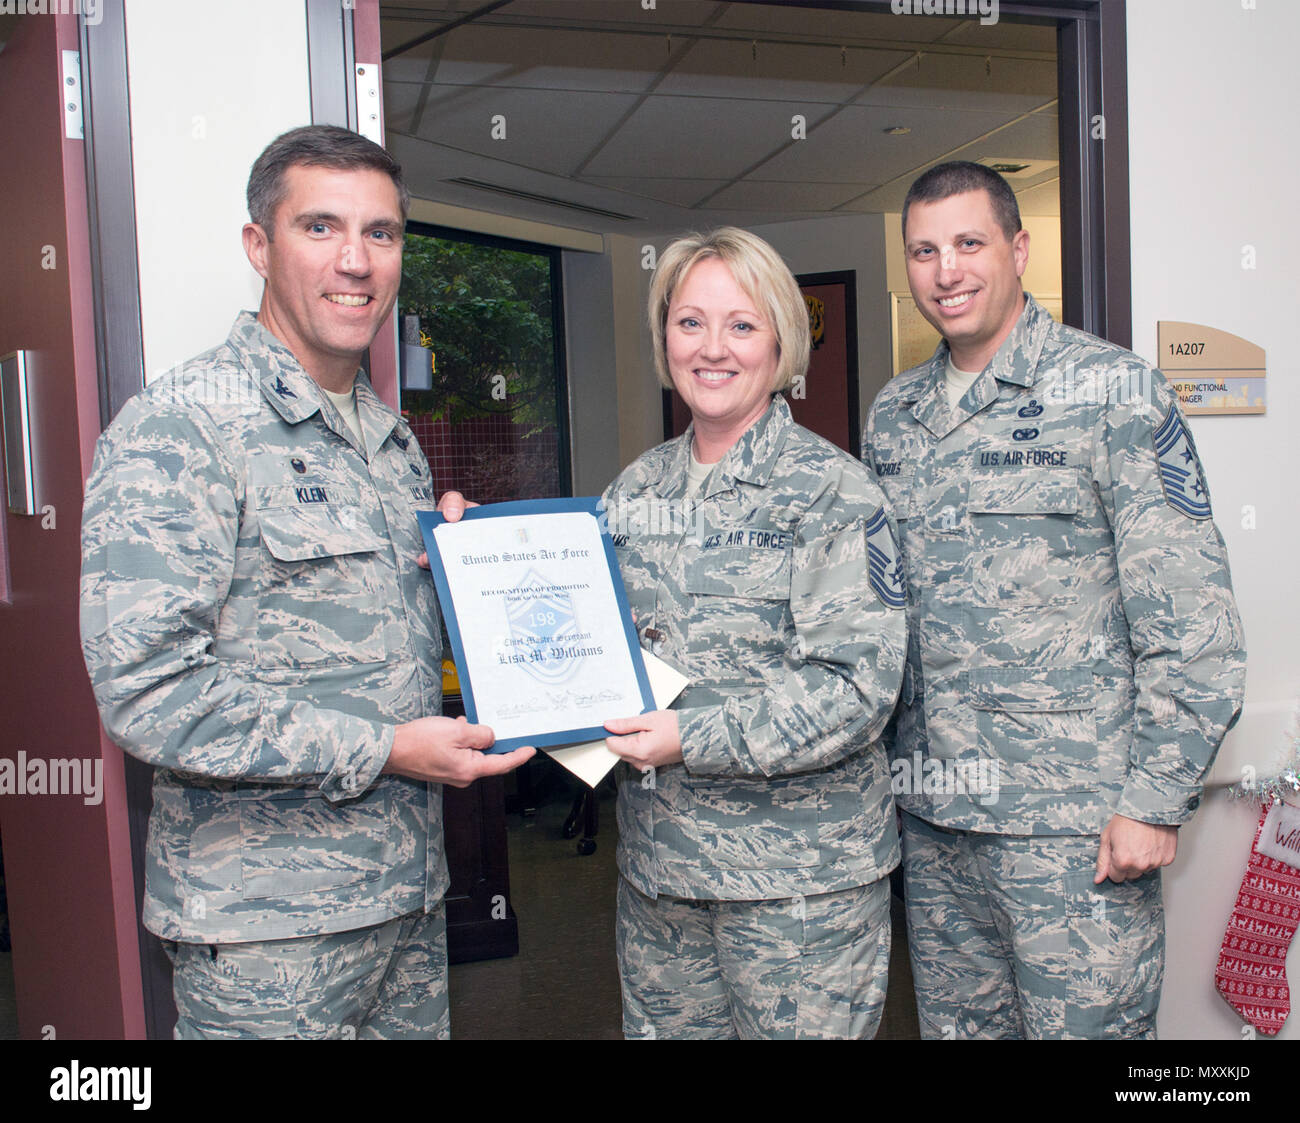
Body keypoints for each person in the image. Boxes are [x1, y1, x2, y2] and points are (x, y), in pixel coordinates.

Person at [79, 125, 534, 1039]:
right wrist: (382, 748)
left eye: (383, 233)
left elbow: (374, 643)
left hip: (404, 903)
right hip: (266, 936)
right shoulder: (182, 427)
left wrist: (466, 573)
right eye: (320, 228)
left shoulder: (389, 441)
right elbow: (148, 691)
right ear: (259, 245)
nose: (357, 261)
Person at [863, 161, 1246, 1039]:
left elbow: (1194, 624)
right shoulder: (895, 415)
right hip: (936, 822)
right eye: (923, 251)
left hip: (1074, 835)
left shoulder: (1113, 392)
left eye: (968, 243)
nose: (946, 270)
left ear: (1018, 248)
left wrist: (1153, 800)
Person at [599, 227, 907, 1039]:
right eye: (690, 322)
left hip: (797, 888)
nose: (713, 348)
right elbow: (583, 637)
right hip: (662, 877)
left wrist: (686, 738)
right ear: (664, 338)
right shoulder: (634, 490)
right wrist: (473, 551)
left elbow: (854, 691)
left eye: (741, 325)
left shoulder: (835, 492)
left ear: (782, 343)